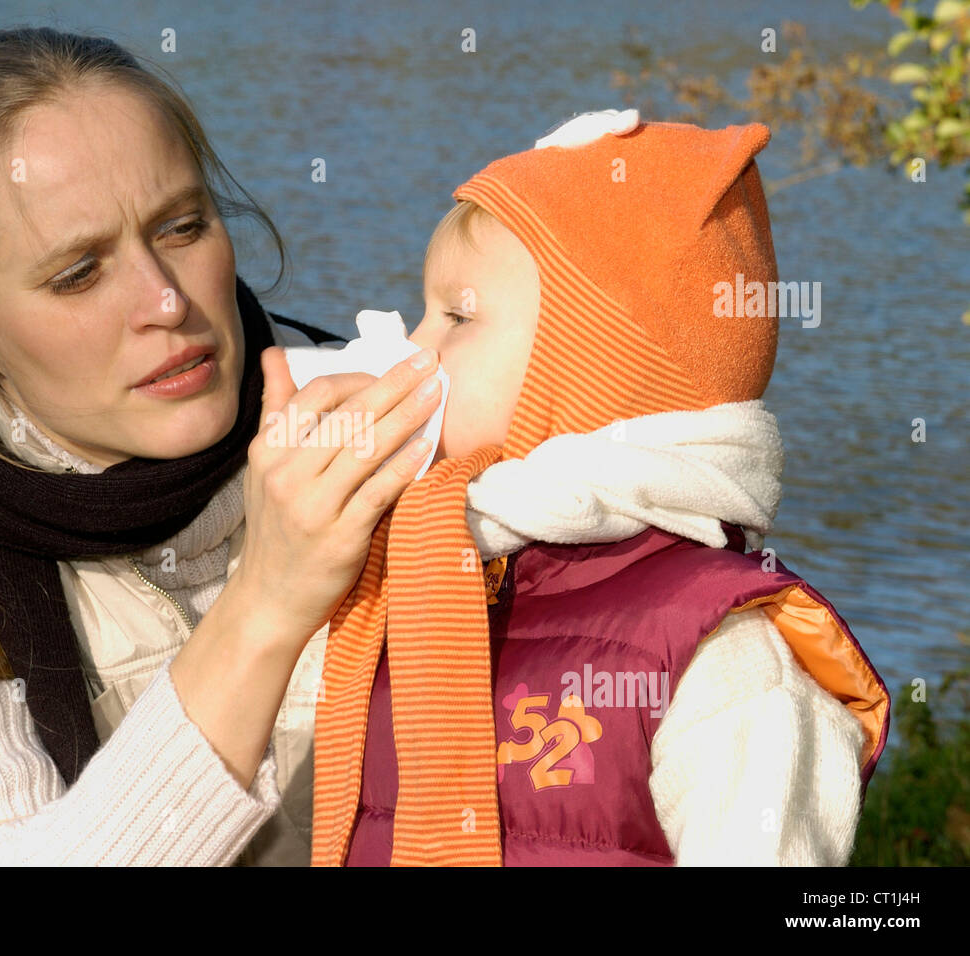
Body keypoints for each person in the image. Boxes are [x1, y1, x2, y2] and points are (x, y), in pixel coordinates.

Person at [0, 26, 445, 866]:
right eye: (78, 273)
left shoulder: (386, 419)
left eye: (183, 226)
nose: (164, 300)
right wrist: (269, 602)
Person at [310, 110, 892, 866]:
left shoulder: (729, 669)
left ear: (595, 375)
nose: (416, 348)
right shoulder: (413, 574)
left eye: (457, 316)